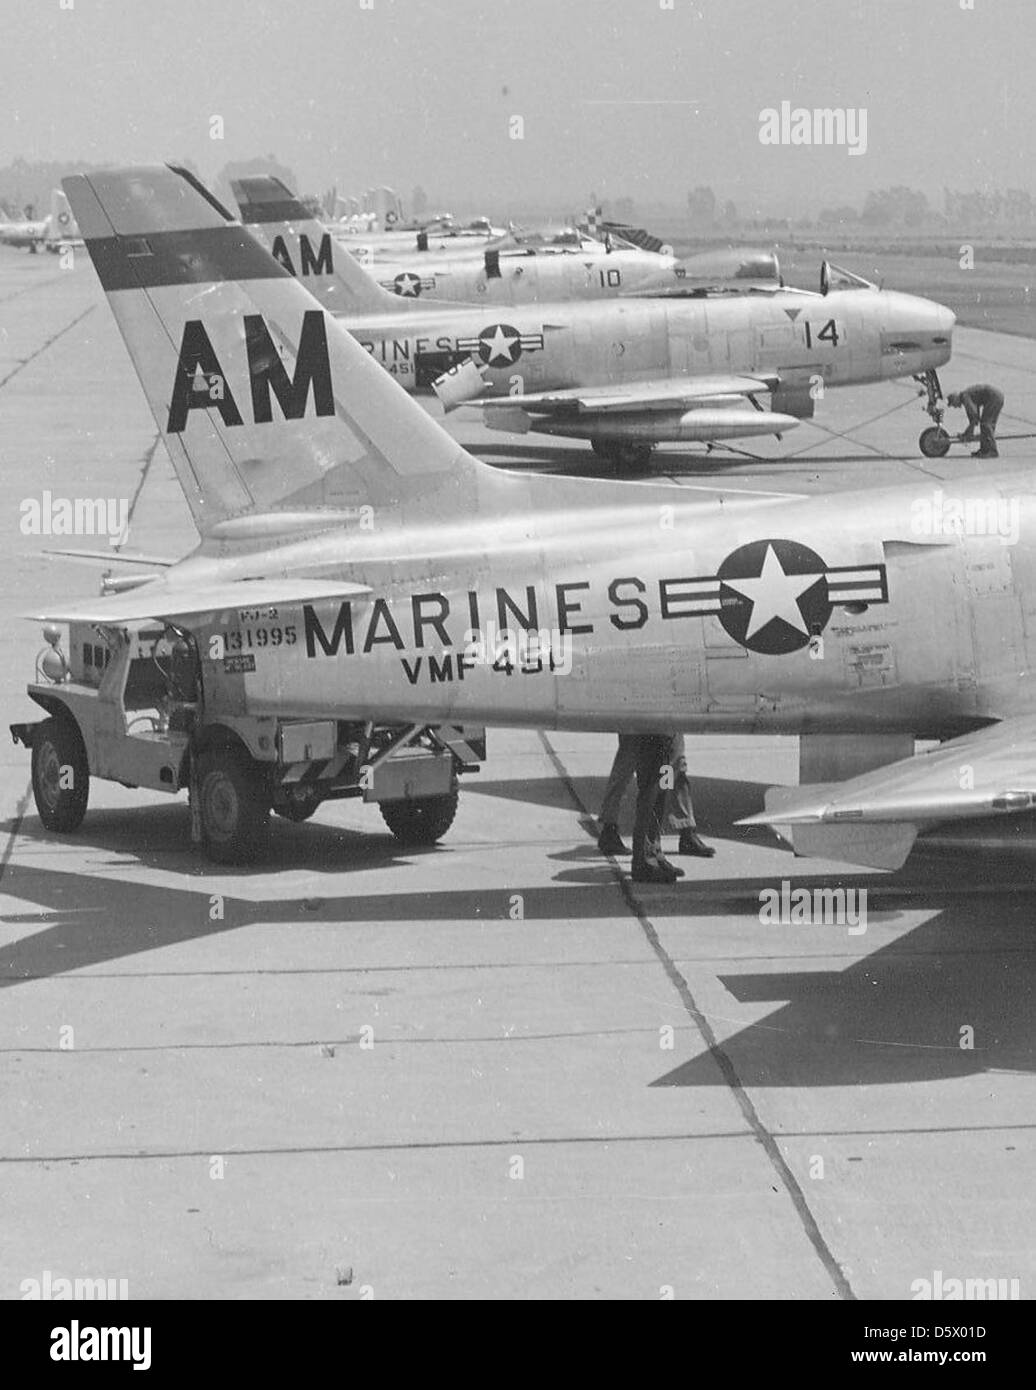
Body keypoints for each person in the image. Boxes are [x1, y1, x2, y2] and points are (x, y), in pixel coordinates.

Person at [597, 732, 715, 870]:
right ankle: (612, 829)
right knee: (631, 767)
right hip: (643, 722)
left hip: (665, 725)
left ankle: (684, 831)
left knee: (674, 765)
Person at [946, 385, 1004, 458]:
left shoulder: (965, 397)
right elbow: (973, 418)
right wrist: (967, 433)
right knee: (985, 425)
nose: (955, 407)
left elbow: (974, 415)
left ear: (955, 399)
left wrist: (968, 433)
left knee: (986, 424)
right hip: (996, 397)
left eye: (953, 404)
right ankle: (984, 450)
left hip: (994, 398)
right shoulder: (966, 396)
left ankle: (992, 451)